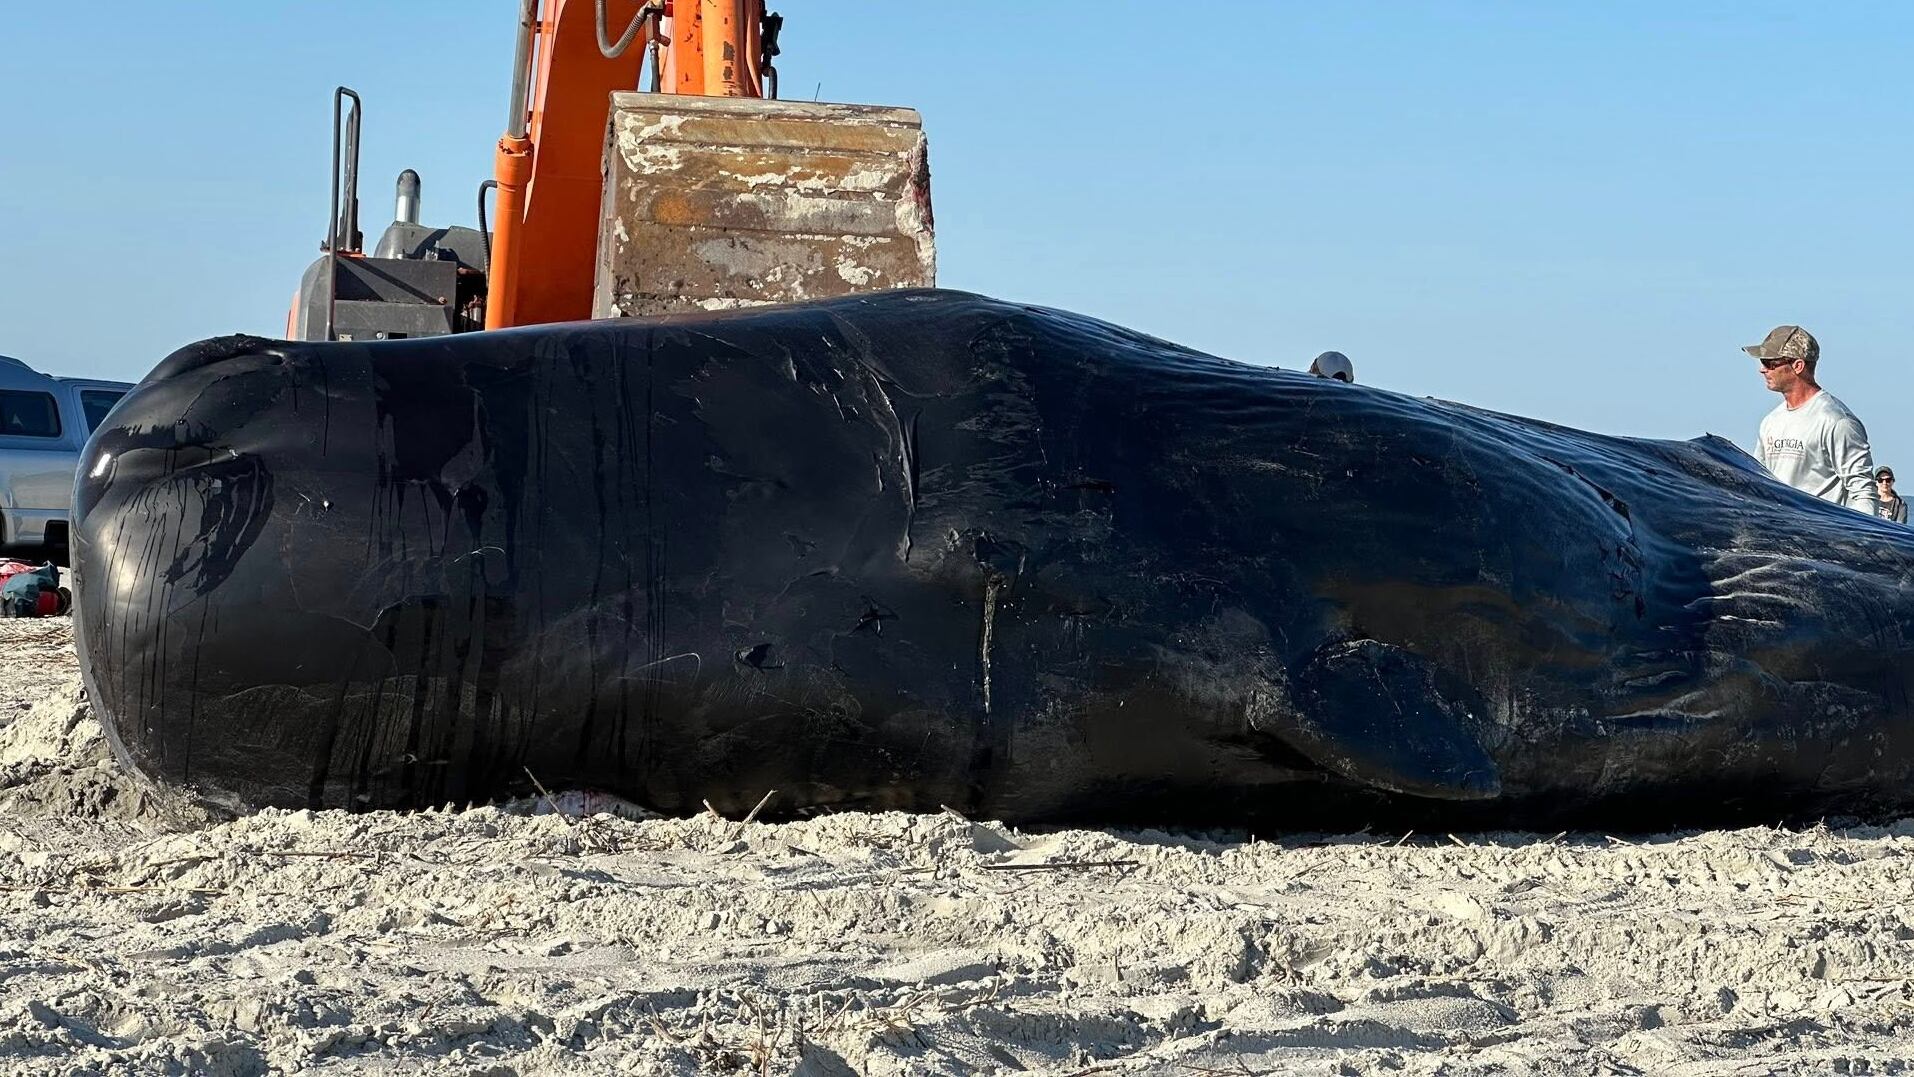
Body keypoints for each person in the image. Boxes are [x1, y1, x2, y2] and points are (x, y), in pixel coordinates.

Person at [1743, 324, 1879, 516]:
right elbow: (1759, 479)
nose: (1762, 370)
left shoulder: (1837, 421)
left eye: (1769, 363)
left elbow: (1863, 493)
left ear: (1798, 366)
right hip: (1779, 535)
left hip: (1822, 537)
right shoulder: (1770, 422)